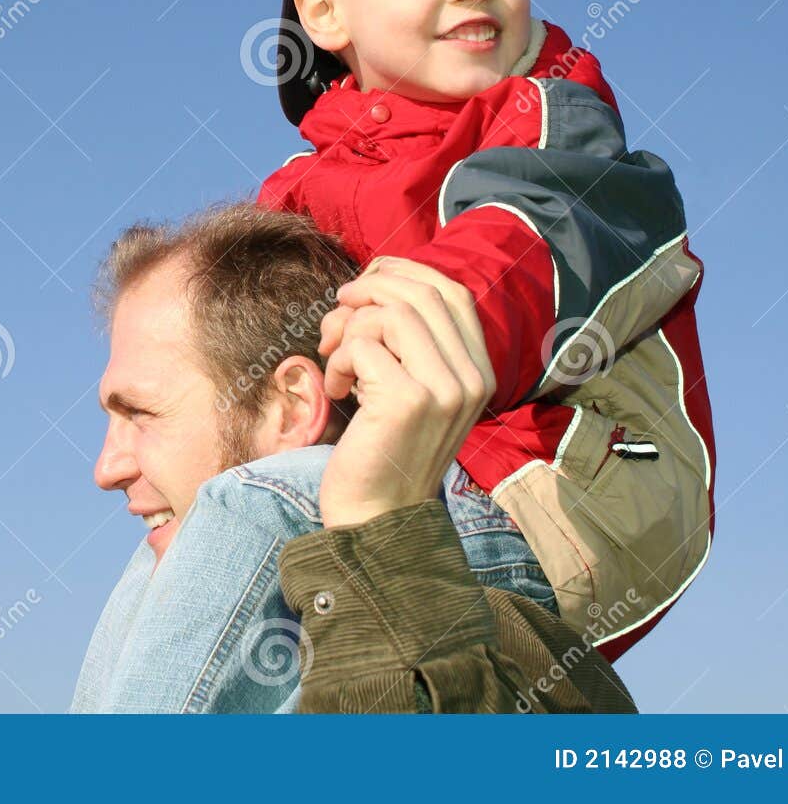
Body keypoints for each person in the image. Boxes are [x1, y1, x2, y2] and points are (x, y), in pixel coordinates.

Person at [255, 0, 716, 659]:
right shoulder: (296, 191)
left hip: (576, 486)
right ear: (323, 10)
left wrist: (441, 307)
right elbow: (241, 335)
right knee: (217, 530)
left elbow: (538, 228)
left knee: (258, 514)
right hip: (415, 479)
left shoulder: (554, 109)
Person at [71, 203, 633, 713]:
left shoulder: (512, 649)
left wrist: (376, 521)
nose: (106, 468)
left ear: (290, 408)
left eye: (141, 413)